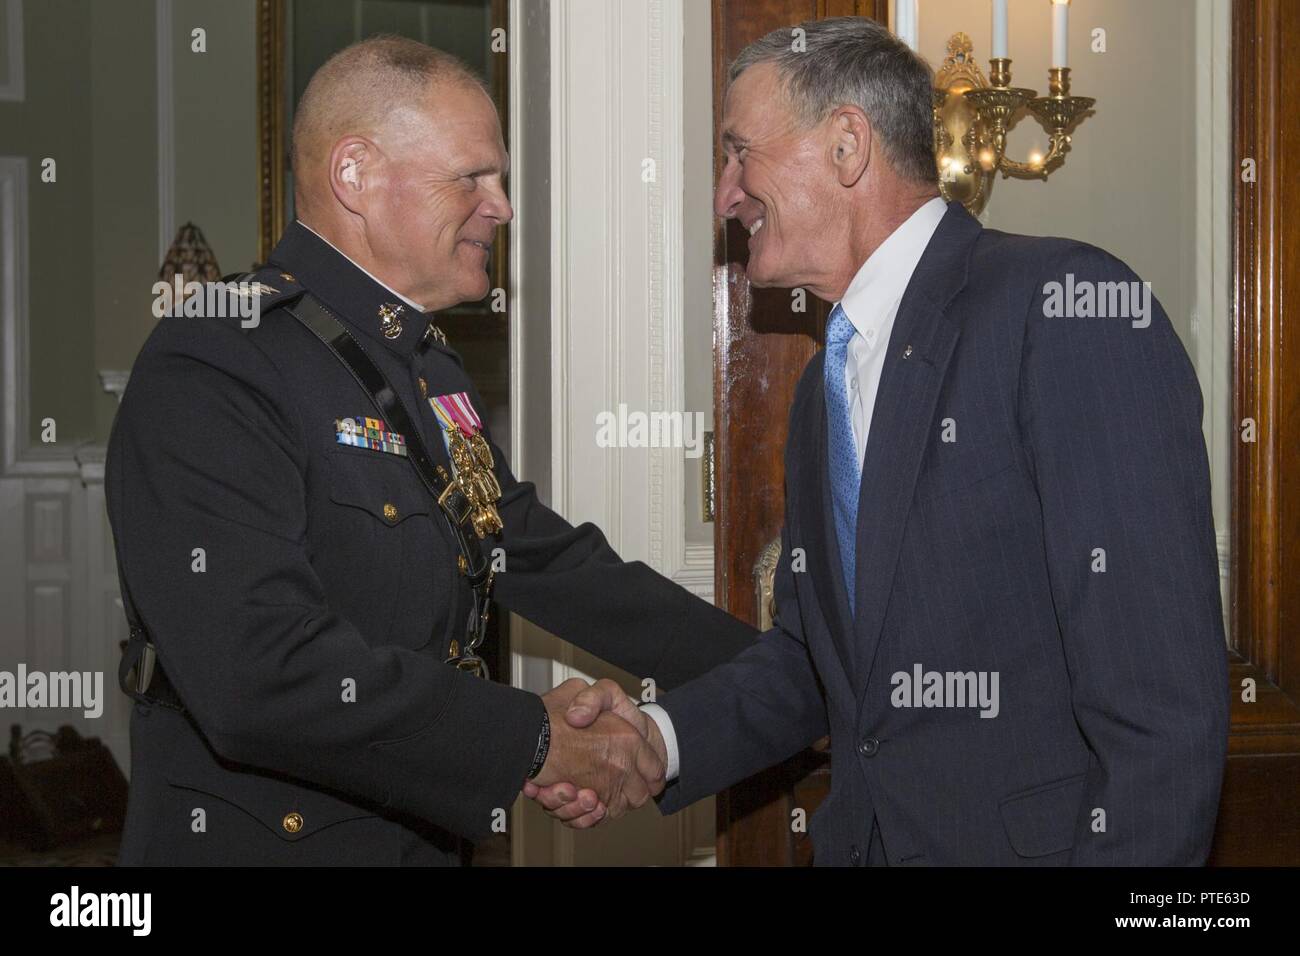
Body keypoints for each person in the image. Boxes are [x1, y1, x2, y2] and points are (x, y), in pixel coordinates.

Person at [529, 16, 1231, 866]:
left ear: (846, 146)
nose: (725, 195)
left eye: (739, 152)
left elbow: (1161, 712)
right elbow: (818, 663)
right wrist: (660, 739)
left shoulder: (1065, 309)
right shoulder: (824, 391)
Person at [106, 35, 754, 866]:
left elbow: (546, 562)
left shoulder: (423, 366)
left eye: (503, 180)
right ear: (356, 176)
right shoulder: (219, 357)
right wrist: (531, 740)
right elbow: (257, 674)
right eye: (473, 178)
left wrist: (781, 680)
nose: (503, 208)